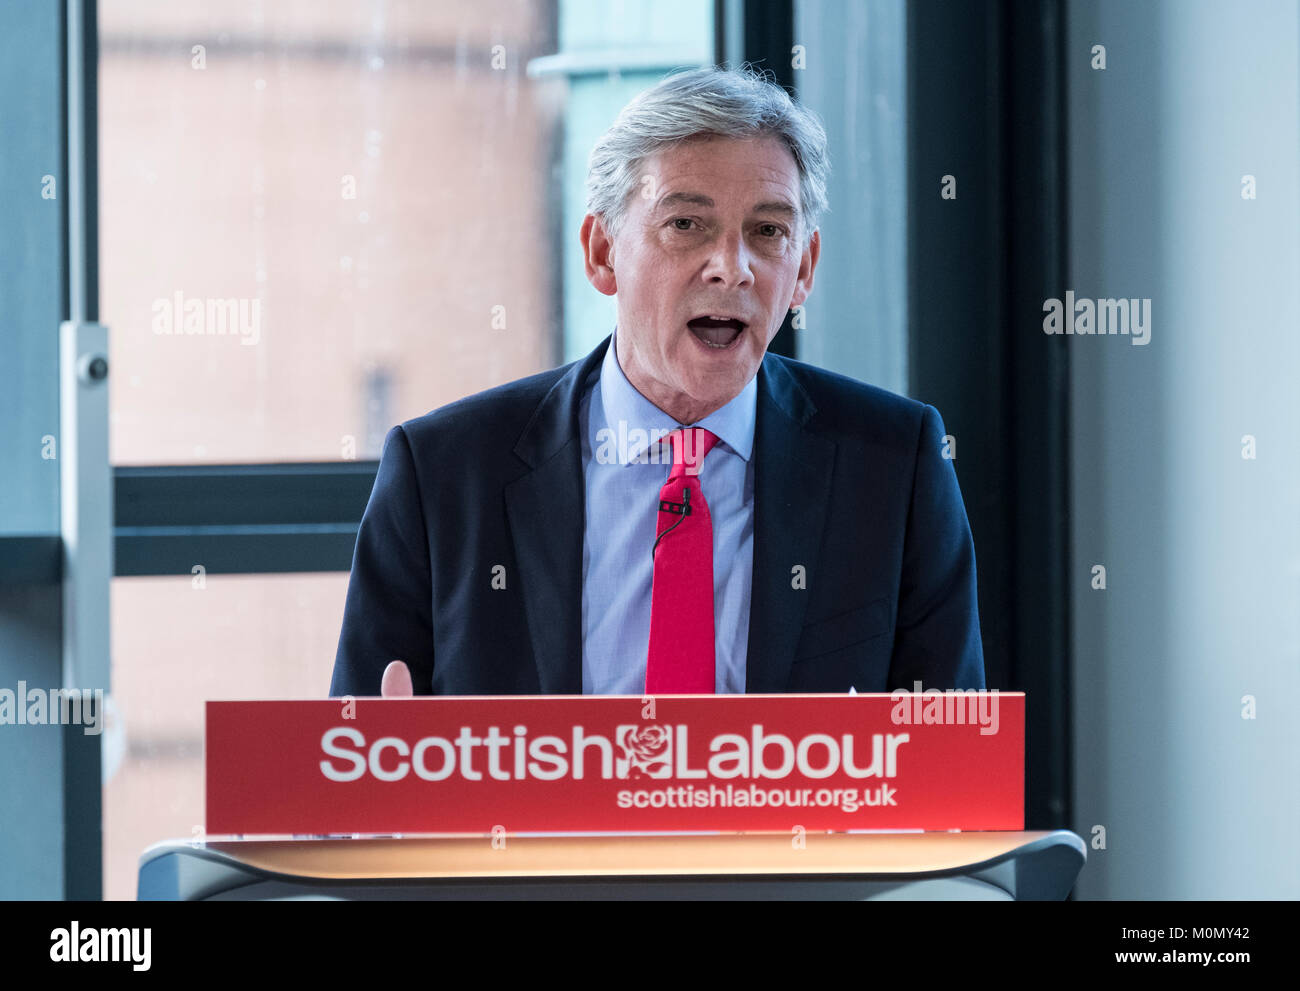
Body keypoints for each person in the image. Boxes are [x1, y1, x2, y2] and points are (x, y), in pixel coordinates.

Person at [329, 65, 984, 699]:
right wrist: (385, 791)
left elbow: (956, 781)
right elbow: (346, 784)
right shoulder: (443, 472)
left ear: (804, 268)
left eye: (767, 232)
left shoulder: (894, 468)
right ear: (601, 251)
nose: (732, 269)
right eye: (685, 225)